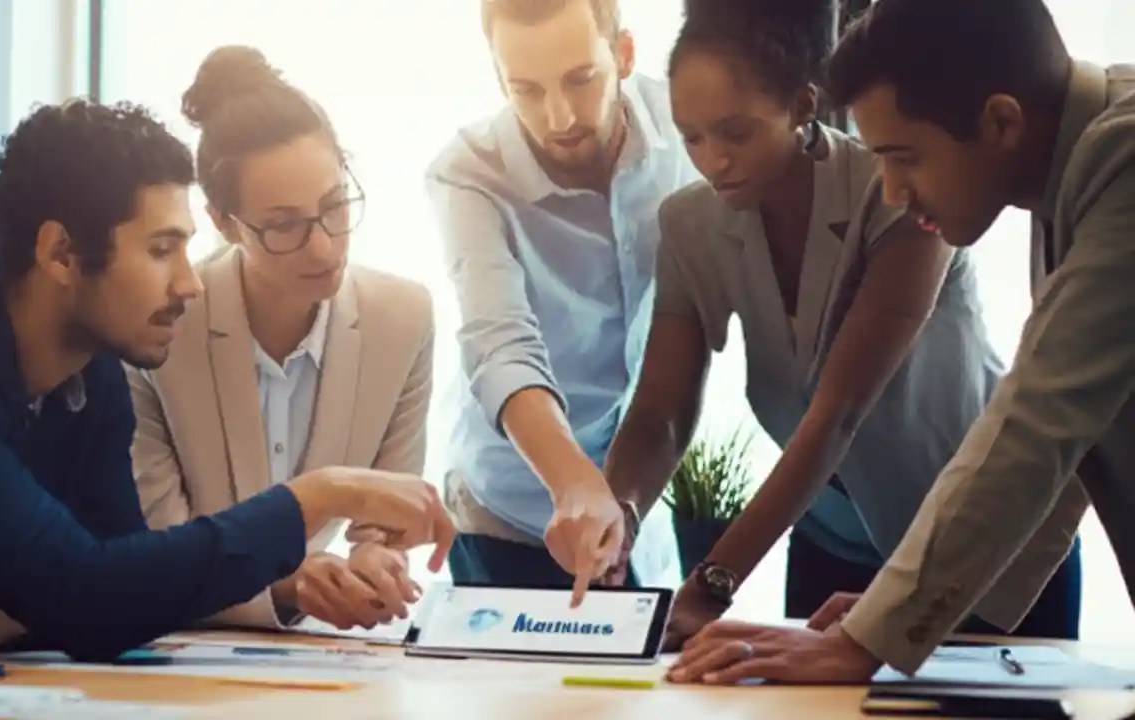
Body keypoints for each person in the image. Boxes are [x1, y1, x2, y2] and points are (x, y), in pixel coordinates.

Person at [0, 99, 452, 661]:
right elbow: (88, 593)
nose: (190, 285)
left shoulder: (92, 374)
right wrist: (317, 496)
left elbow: (126, 581)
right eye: (161, 249)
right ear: (61, 254)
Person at [670, 0, 1134, 685]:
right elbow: (1077, 429)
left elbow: (1039, 425)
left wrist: (870, 638)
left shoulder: (1122, 161)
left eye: (903, 157)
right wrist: (896, 614)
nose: (893, 190)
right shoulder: (1081, 162)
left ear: (1000, 121)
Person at [129, 46, 435, 632]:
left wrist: (375, 563)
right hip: (180, 643)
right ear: (223, 223)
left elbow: (385, 516)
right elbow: (158, 555)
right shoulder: (161, 330)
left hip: (317, 654)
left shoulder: (404, 318)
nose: (324, 246)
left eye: (335, 206)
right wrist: (287, 587)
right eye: (285, 225)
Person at [427, 0, 707, 603]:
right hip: (509, 506)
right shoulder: (467, 173)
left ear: (624, 54)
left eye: (581, 80)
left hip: (636, 493)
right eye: (525, 90)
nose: (557, 117)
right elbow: (498, 342)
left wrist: (617, 495)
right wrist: (573, 482)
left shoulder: (688, 130)